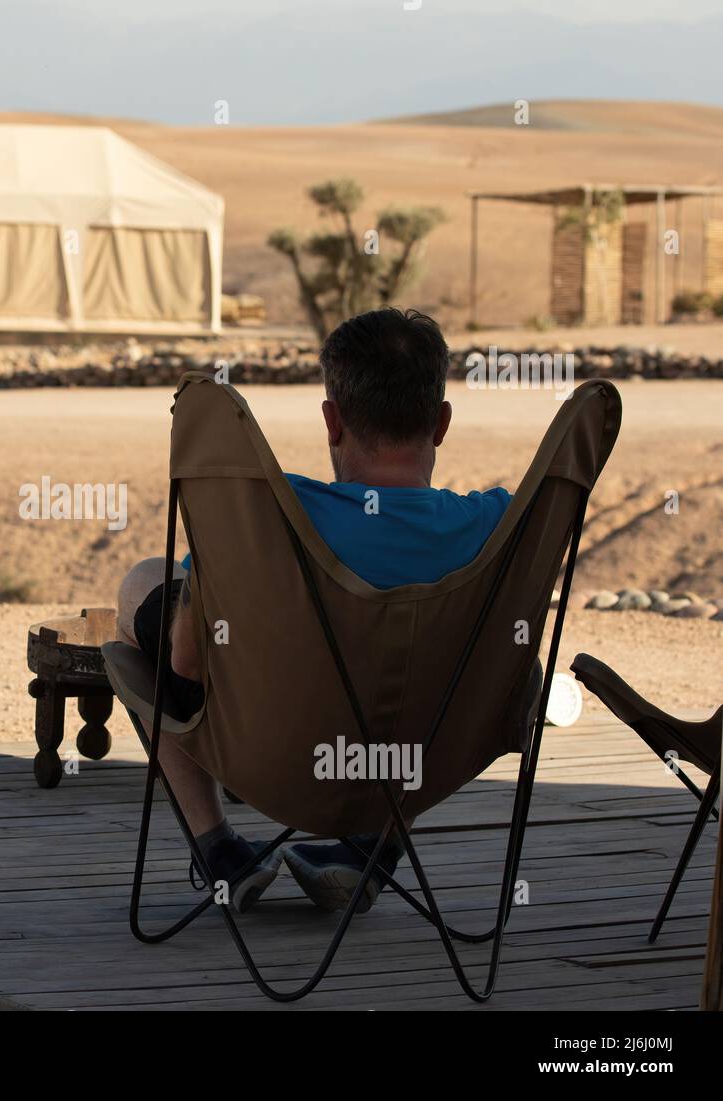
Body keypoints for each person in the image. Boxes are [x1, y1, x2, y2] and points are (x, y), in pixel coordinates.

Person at [115, 307, 511, 913]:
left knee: (145, 584)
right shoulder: (499, 525)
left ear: (332, 421)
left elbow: (188, 664)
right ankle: (369, 849)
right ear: (441, 422)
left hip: (272, 761)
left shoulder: (273, 516)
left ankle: (218, 847)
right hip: (420, 757)